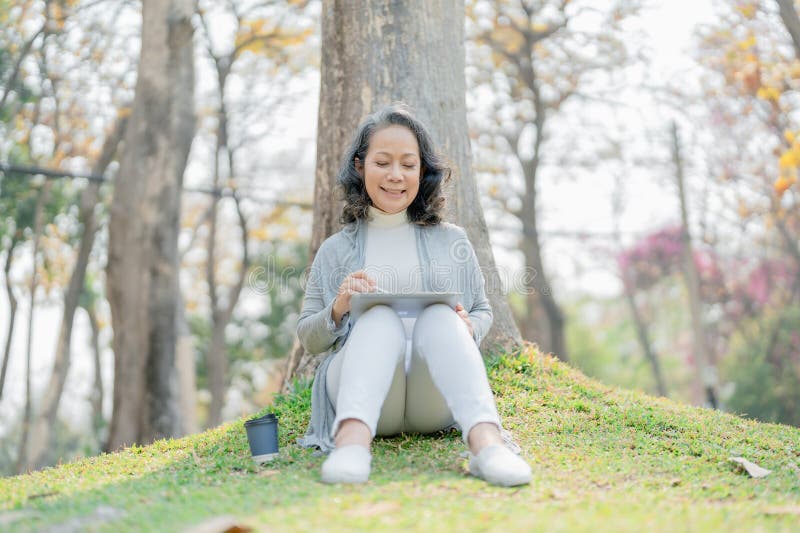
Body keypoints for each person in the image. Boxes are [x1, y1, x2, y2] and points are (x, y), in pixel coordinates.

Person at [296, 103, 531, 487]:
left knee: (440, 315)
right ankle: (351, 446)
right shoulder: (336, 250)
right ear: (360, 166)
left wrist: (468, 326)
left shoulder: (452, 241)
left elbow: (482, 310)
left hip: (431, 399)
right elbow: (309, 337)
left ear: (423, 171)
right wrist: (338, 308)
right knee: (378, 317)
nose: (395, 175)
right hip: (366, 395)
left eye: (408, 164)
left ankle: (488, 448)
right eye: (383, 162)